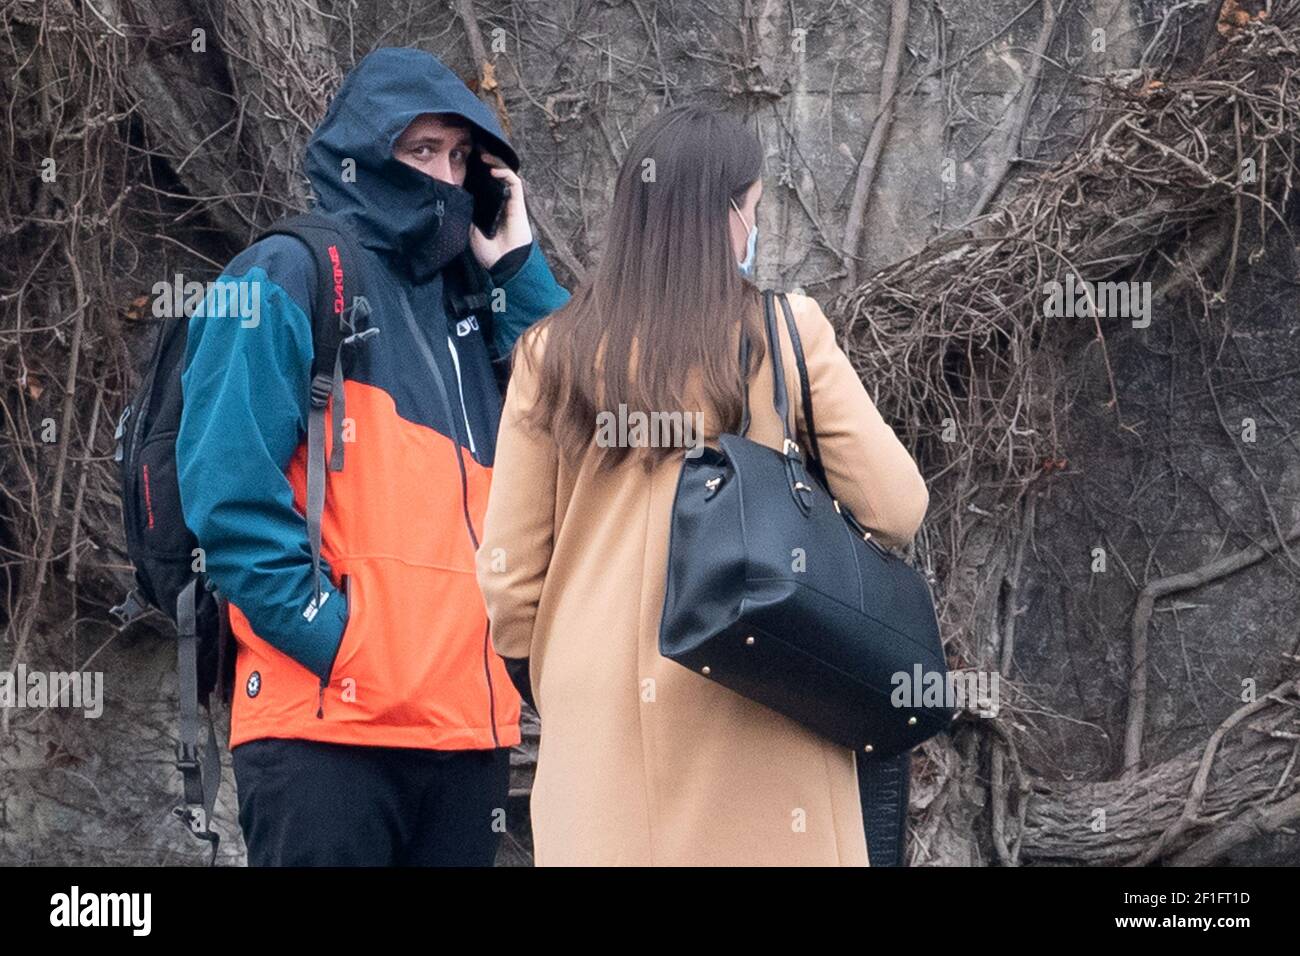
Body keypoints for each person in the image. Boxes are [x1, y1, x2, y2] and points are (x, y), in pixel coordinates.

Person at [476, 105, 929, 866]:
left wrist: (562, 675)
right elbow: (897, 507)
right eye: (752, 211)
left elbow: (509, 585)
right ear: (729, 217)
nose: (754, 232)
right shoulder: (786, 332)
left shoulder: (549, 354)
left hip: (601, 732)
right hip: (766, 691)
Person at [176, 47, 569, 866]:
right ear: (363, 152)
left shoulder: (474, 300)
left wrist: (519, 270)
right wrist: (340, 643)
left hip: (468, 734)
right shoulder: (286, 273)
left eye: (462, 158)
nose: (445, 176)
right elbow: (226, 497)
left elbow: (580, 423)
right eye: (421, 151)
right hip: (327, 730)